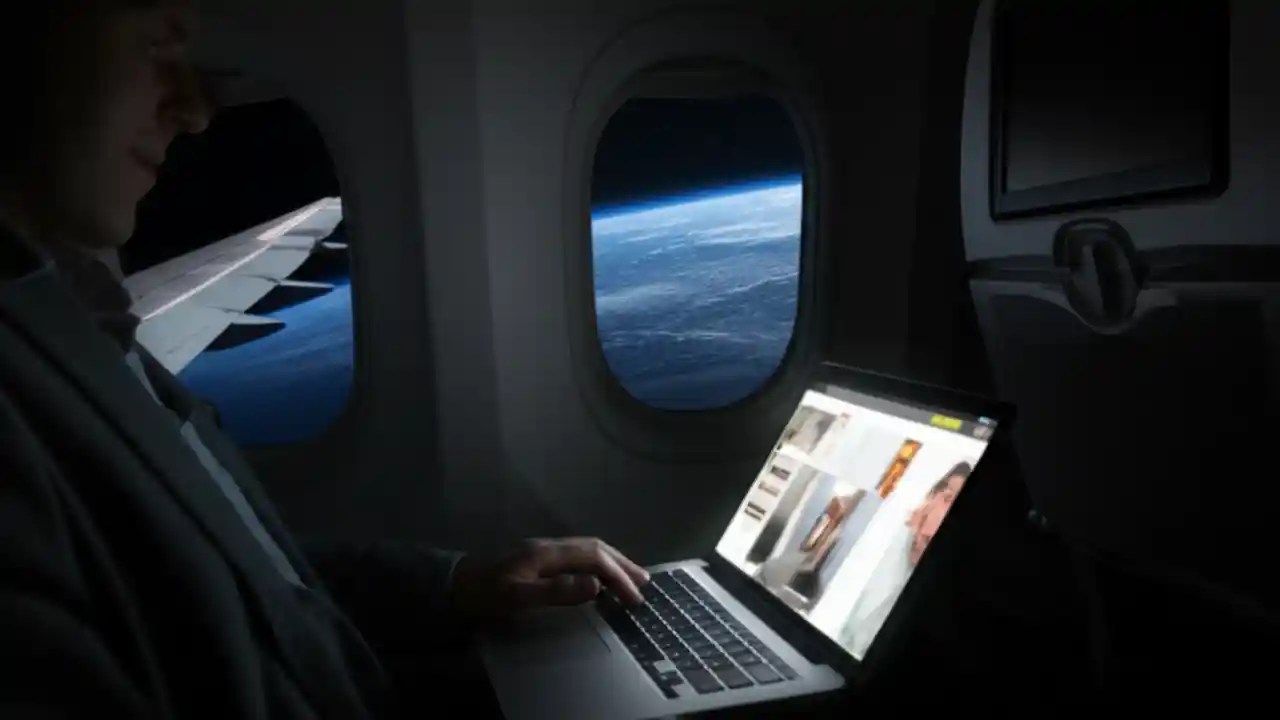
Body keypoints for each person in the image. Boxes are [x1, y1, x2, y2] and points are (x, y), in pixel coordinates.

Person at [0, 2, 647, 717]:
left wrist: (462, 583)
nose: (195, 111)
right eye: (156, 45)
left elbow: (258, 582)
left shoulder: (82, 323)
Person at [837, 461, 972, 658]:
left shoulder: (944, 509)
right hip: (907, 555)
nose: (948, 494)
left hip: (916, 562)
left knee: (888, 604)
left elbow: (925, 532)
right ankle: (854, 641)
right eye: (948, 488)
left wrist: (920, 539)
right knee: (882, 598)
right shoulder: (936, 500)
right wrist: (917, 537)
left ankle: (860, 644)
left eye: (955, 492)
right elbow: (918, 526)